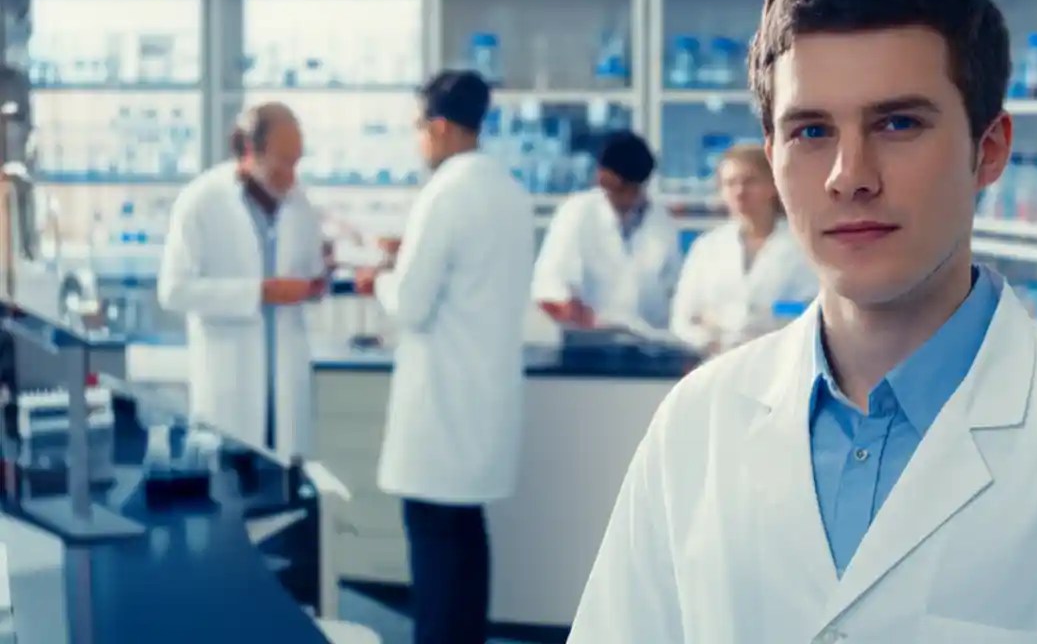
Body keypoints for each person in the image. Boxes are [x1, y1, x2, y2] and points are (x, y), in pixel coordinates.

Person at [568, 0, 1037, 644]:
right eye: (810, 130)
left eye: (898, 123)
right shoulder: (695, 426)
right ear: (773, 159)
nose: (849, 175)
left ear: (988, 150)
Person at [356, 70, 534, 644]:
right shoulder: (507, 189)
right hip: (483, 397)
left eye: (416, 128)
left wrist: (380, 275)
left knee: (435, 559)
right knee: (465, 542)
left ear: (436, 127)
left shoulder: (444, 191)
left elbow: (409, 305)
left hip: (440, 405)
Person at [158, 103, 326, 458]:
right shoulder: (200, 201)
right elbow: (173, 291)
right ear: (250, 151)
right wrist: (257, 292)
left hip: (285, 387)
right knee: (229, 492)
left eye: (297, 162)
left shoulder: (300, 204)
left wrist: (315, 286)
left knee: (287, 497)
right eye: (283, 162)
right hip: (228, 386)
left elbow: (311, 276)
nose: (292, 177)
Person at [670, 143, 817, 353]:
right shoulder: (707, 248)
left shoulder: (801, 246)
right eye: (730, 183)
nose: (740, 191)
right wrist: (711, 339)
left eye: (750, 181)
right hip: (716, 362)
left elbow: (812, 309)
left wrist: (771, 316)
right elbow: (682, 320)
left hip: (782, 358)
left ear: (773, 185)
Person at [532, 131, 681, 333]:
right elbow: (551, 283)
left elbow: (675, 291)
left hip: (648, 343)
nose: (630, 198)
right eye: (620, 188)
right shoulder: (577, 213)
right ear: (602, 178)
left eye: (634, 189)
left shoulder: (660, 222)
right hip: (588, 344)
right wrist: (574, 310)